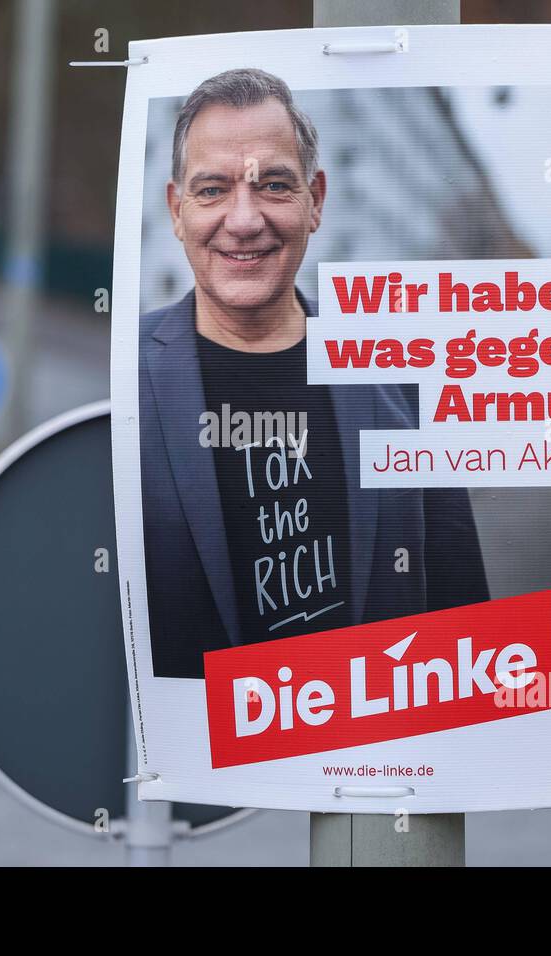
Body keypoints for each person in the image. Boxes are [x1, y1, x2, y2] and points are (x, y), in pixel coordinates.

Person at [139, 68, 489, 679]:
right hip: (192, 769)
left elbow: (464, 626)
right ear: (175, 209)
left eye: (273, 185)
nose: (244, 221)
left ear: (316, 200)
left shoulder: (398, 375)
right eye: (213, 190)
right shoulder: (126, 376)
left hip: (373, 766)